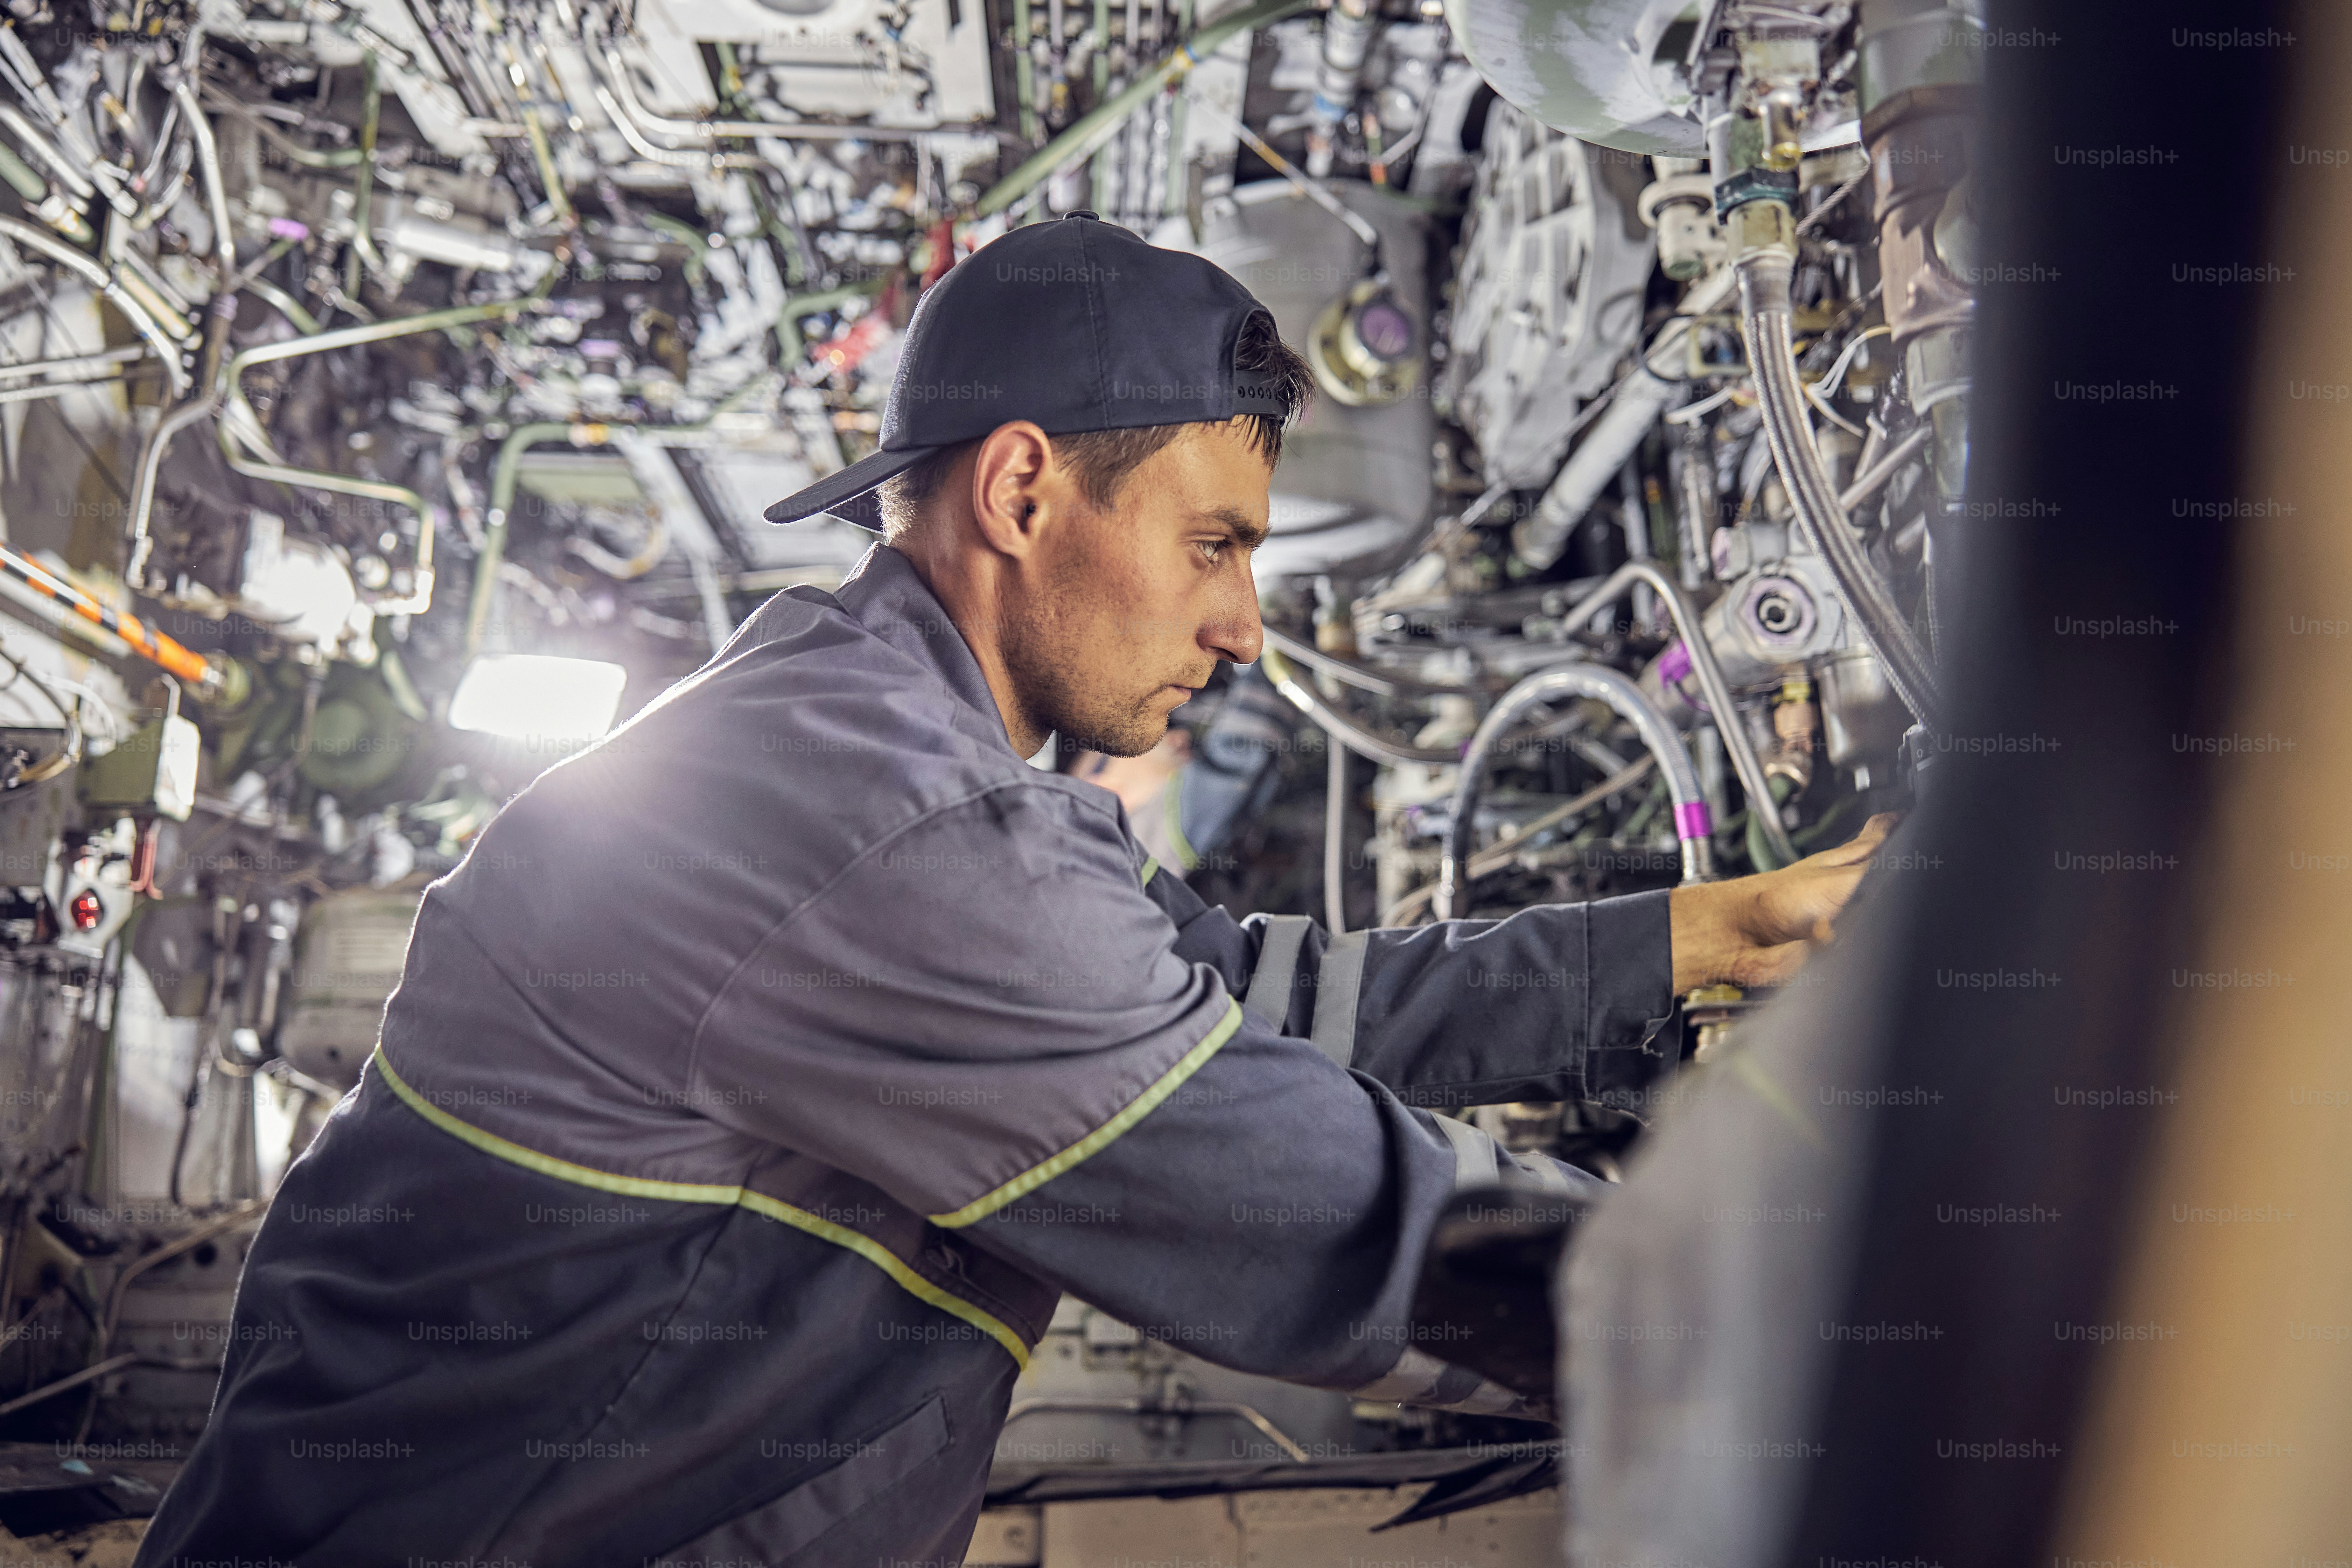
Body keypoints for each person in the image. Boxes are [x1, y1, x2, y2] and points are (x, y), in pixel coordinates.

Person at [137, 214, 1888, 1567]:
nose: (1242, 624)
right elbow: (1303, 1207)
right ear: (1027, 485)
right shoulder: (880, 823)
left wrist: (1704, 931)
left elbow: (1257, 1003)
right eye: (1213, 546)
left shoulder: (878, 754)